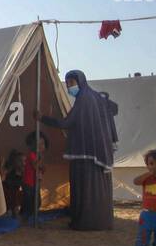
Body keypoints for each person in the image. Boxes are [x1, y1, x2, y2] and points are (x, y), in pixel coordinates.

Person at [36, 70, 118, 230]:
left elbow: (66, 123)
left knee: (85, 188)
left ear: (80, 82)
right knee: (97, 189)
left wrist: (42, 118)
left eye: (71, 83)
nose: (69, 87)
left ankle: (85, 222)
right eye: (67, 84)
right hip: (99, 152)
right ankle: (101, 221)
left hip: (85, 154)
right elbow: (114, 108)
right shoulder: (96, 97)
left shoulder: (84, 99)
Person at [21, 130, 48, 227]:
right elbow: (35, 165)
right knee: (29, 202)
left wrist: (42, 165)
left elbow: (42, 168)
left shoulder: (38, 156)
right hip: (29, 182)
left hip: (35, 182)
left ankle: (31, 218)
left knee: (37, 202)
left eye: (43, 144)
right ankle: (25, 219)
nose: (41, 146)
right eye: (39, 144)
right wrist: (40, 159)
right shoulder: (32, 155)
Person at [2, 149, 24, 218]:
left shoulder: (19, 168)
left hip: (13, 187)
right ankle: (10, 212)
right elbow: (5, 174)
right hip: (9, 186)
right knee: (12, 199)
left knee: (14, 199)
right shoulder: (13, 168)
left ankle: (12, 212)